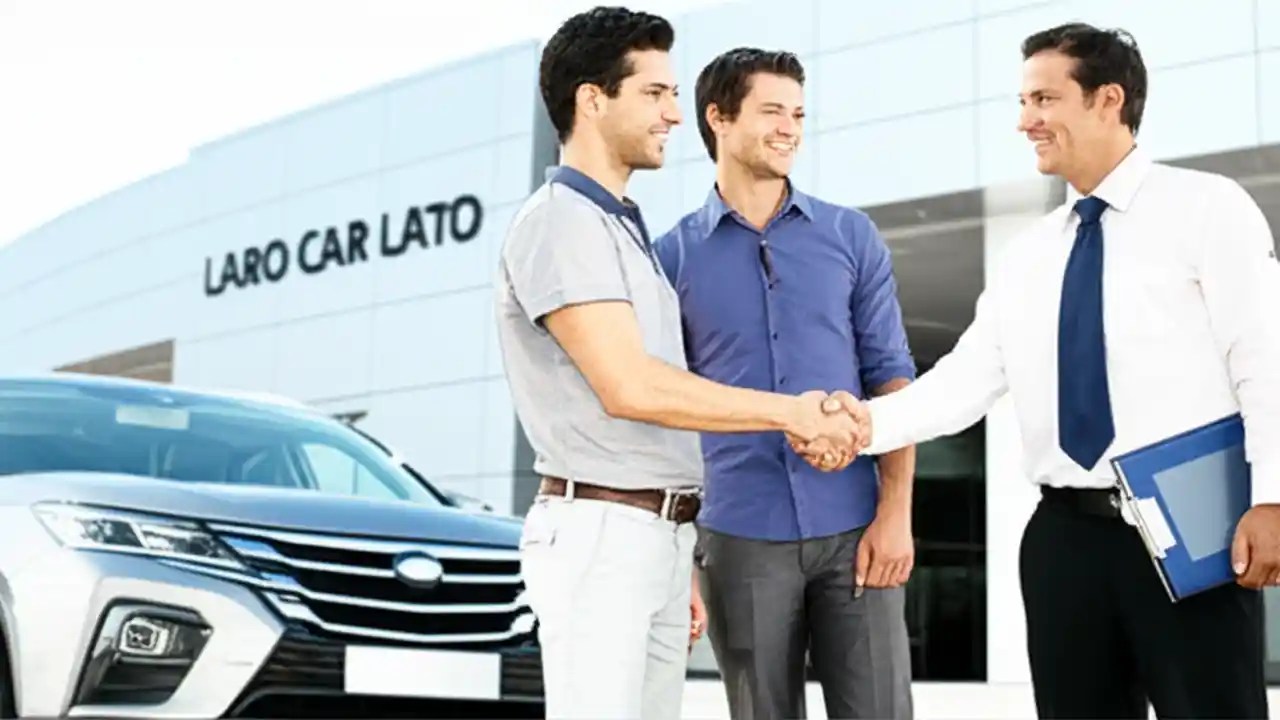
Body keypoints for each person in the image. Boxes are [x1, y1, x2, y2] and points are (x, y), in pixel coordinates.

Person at [817, 22, 1280, 719]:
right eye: (1023, 101)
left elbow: (1265, 362)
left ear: (1108, 100)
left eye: (1043, 99)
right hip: (1064, 538)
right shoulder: (1029, 254)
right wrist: (859, 426)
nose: (1025, 120)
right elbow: (963, 382)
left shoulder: (1207, 208)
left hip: (1191, 534)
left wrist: (1273, 498)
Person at [493, 9, 869, 719]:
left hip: (654, 532)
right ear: (592, 99)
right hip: (602, 534)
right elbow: (630, 386)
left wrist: (681, 546)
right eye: (655, 93)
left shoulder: (619, 226)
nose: (673, 113)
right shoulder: (561, 221)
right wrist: (791, 412)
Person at [654, 48, 917, 720]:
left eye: (798, 114)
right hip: (737, 532)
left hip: (855, 527)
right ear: (718, 117)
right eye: (772, 111)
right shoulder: (670, 257)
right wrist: (681, 560)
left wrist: (896, 513)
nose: (790, 129)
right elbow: (665, 412)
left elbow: (891, 378)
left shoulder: (850, 236)